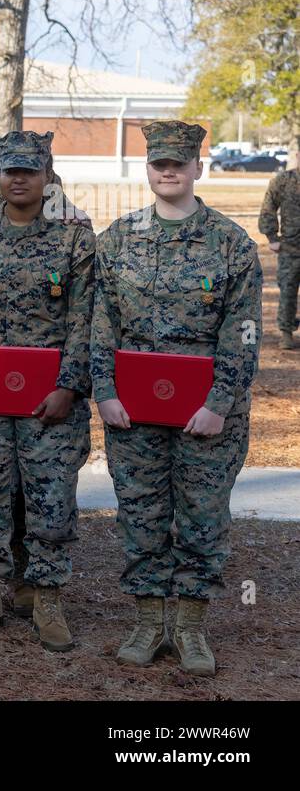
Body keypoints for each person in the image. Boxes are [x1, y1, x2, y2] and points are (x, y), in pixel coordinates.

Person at [92, 120, 262, 677]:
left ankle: (189, 628)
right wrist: (106, 393)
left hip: (207, 413)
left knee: (202, 518)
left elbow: (243, 332)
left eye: (178, 163)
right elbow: (100, 323)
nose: (168, 172)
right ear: (148, 169)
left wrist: (219, 404)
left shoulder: (230, 242)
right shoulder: (117, 239)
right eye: (158, 163)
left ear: (197, 169)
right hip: (133, 411)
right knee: (140, 514)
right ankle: (147, 622)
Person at [0, 131, 95, 651]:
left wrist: (70, 386)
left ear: (47, 175)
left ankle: (46, 596)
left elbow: (84, 320)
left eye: (31, 171)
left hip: (50, 400)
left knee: (51, 499)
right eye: (11, 170)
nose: (20, 179)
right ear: (0, 174)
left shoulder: (74, 236)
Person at [258, 165, 300, 349]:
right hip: (290, 248)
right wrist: (272, 236)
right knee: (288, 290)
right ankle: (286, 333)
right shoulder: (284, 180)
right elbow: (268, 206)